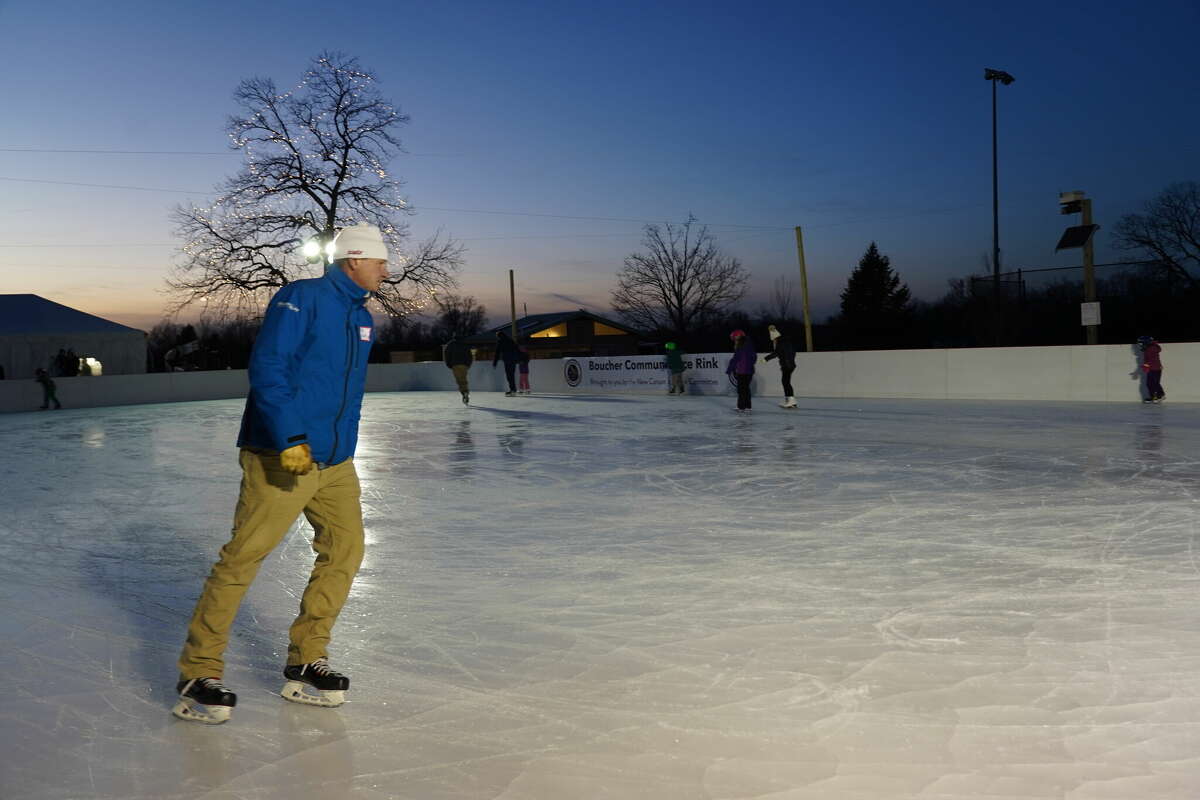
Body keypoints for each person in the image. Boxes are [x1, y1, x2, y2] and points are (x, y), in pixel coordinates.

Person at [173, 223, 389, 724]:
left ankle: (307, 660)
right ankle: (197, 671)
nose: (386, 269)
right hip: (282, 454)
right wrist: (290, 436)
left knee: (346, 550)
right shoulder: (302, 297)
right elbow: (270, 366)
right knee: (243, 558)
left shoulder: (362, 316)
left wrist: (339, 449)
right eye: (380, 261)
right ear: (354, 260)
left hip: (334, 461)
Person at [763, 324, 797, 408]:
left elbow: (776, 353)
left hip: (787, 365)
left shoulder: (781, 344)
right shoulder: (787, 343)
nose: (773, 342)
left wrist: (766, 359)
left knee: (786, 382)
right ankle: (790, 400)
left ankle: (791, 401)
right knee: (786, 382)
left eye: (773, 340)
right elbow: (792, 353)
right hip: (790, 364)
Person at [725, 329, 756, 412]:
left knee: (741, 389)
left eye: (734, 339)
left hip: (743, 371)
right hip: (749, 371)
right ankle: (748, 406)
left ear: (738, 337)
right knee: (745, 389)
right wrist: (750, 364)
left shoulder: (741, 346)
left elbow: (735, 359)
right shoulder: (749, 344)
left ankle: (741, 406)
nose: (734, 341)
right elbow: (754, 357)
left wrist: (729, 369)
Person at [444, 333, 473, 405]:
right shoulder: (465, 344)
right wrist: (468, 364)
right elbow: (470, 355)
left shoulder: (450, 344)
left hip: (455, 364)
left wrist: (448, 364)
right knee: (463, 378)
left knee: (459, 380)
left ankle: (464, 392)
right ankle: (465, 392)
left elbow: (446, 354)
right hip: (464, 365)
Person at [492, 330, 520, 396]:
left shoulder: (500, 341)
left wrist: (495, 362)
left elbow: (497, 352)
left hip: (507, 360)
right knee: (511, 375)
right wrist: (518, 359)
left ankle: (513, 390)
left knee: (509, 376)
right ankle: (513, 390)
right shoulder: (510, 340)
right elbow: (517, 349)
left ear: (499, 336)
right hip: (513, 360)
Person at [1139, 335, 1165, 403]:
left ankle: (1161, 395)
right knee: (1149, 383)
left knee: (1155, 383)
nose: (1140, 344)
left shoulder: (1151, 348)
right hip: (1151, 368)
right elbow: (1148, 358)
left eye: (1141, 343)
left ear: (1146, 342)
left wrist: (1146, 365)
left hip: (1155, 368)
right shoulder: (1148, 348)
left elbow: (1151, 358)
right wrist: (1146, 365)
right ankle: (1152, 397)